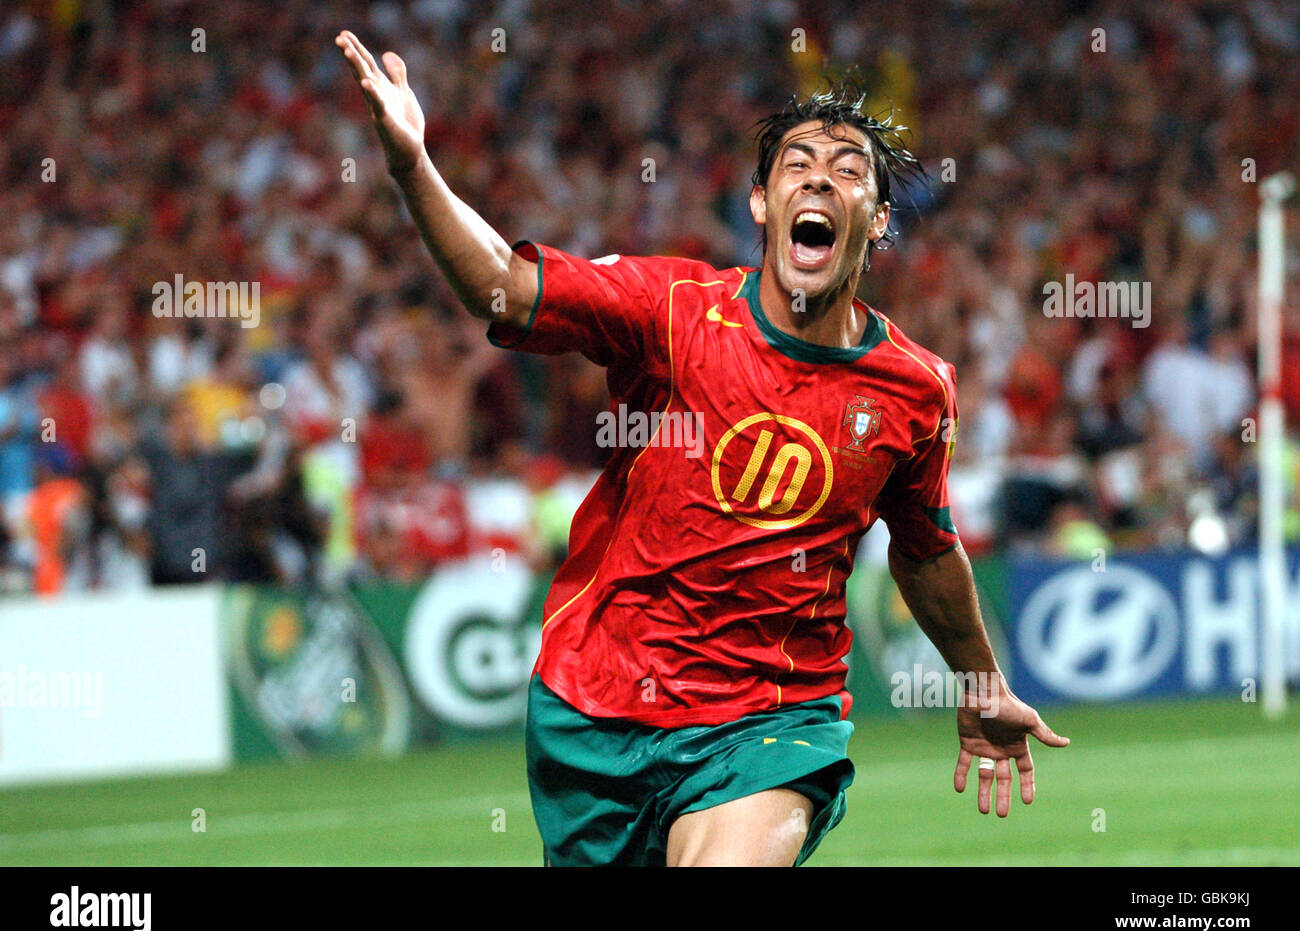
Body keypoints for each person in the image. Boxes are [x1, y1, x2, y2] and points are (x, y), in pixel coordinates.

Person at [336, 30, 1069, 867]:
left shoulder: (914, 389)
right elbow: (502, 282)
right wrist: (411, 167)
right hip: (597, 704)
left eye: (849, 169)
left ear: (880, 218)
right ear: (760, 204)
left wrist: (981, 680)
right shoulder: (674, 310)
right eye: (797, 164)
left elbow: (927, 549)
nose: (821, 177)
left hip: (773, 718)